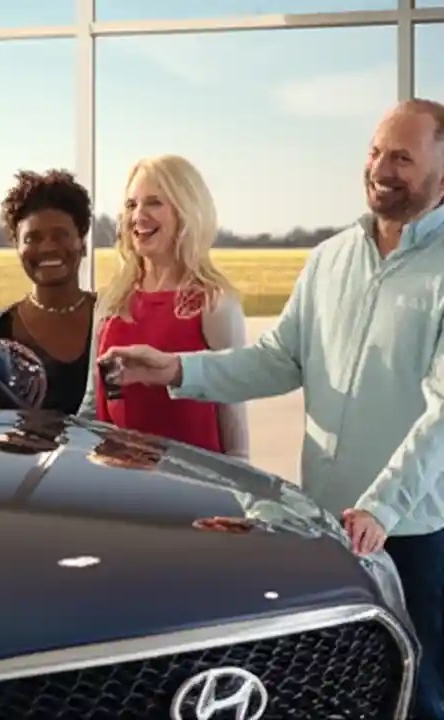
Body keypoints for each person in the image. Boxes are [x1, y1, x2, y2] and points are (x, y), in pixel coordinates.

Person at [100, 99, 444, 719]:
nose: (380, 169)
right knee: (334, 696)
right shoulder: (330, 258)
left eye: (402, 157)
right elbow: (278, 360)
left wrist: (383, 505)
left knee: (420, 697)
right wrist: (177, 369)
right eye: (374, 152)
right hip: (328, 528)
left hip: (414, 534)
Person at [79, 154, 249, 459]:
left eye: (154, 203)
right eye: (131, 204)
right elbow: (94, 407)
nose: (138, 216)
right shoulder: (111, 300)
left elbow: (235, 437)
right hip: (116, 481)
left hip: (192, 485)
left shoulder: (214, 303)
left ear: (187, 212)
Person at [0, 169, 95, 414]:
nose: (48, 247)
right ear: (17, 248)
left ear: (82, 243)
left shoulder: (113, 316)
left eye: (61, 235)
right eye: (32, 238)